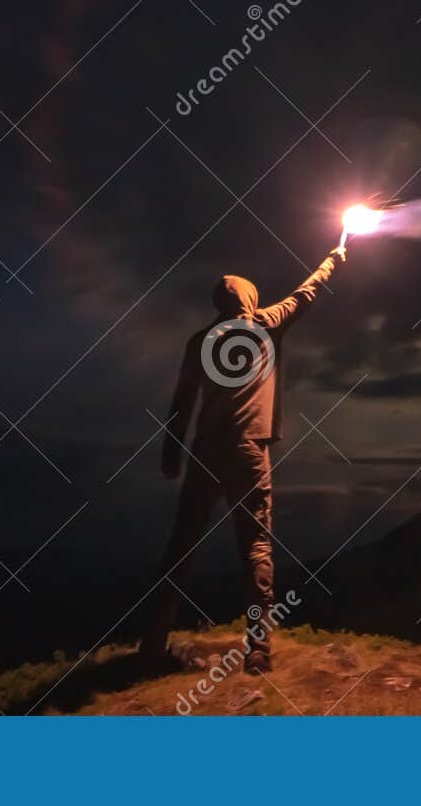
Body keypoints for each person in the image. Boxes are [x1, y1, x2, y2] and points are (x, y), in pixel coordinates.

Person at [140, 245, 346, 673]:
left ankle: (152, 645)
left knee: (180, 546)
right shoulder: (266, 324)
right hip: (249, 451)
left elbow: (181, 406)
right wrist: (333, 259)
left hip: (205, 451)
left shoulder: (200, 341)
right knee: (255, 546)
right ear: (249, 299)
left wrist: (171, 455)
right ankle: (258, 650)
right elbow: (307, 292)